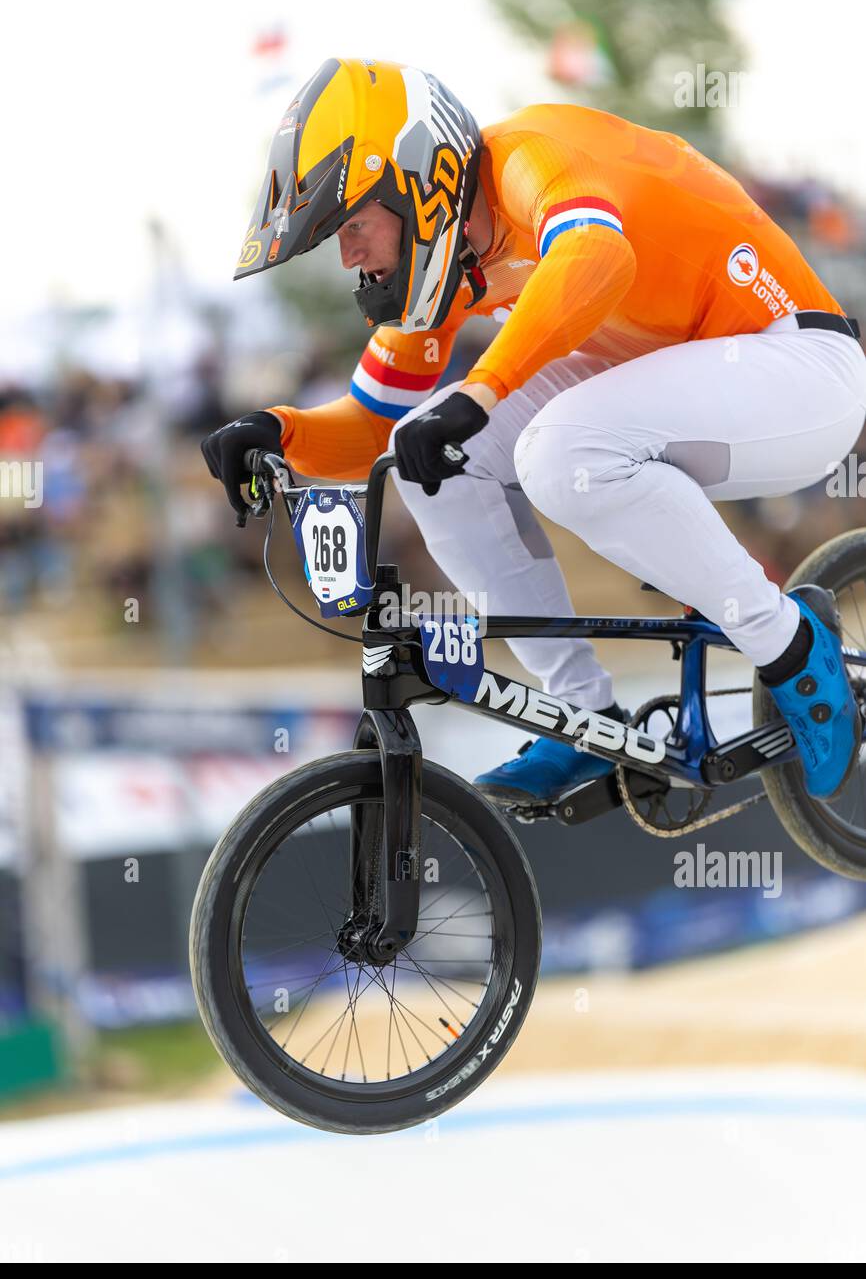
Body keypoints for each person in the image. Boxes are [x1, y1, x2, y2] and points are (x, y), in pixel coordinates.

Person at [202, 57, 866, 805]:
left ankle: (792, 648)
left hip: (802, 367)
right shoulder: (450, 260)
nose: (349, 255)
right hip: (680, 376)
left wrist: (484, 388)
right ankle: (580, 712)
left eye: (353, 225)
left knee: (560, 452)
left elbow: (597, 256)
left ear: (417, 182)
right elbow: (374, 425)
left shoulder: (532, 155)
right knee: (425, 456)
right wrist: (273, 431)